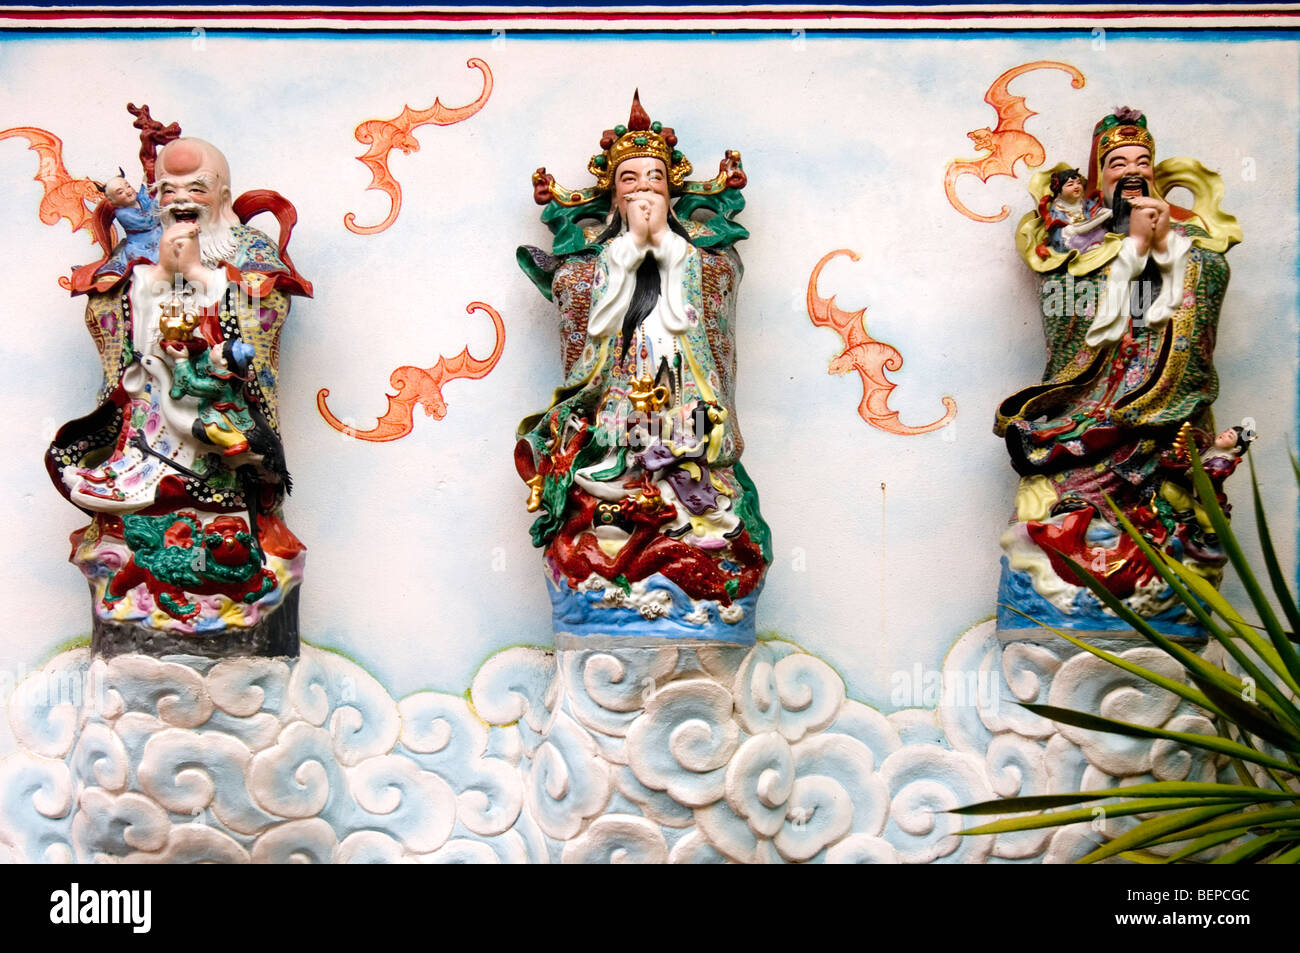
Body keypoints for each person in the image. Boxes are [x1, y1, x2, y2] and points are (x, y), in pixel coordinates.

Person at [515, 94, 769, 639]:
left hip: (683, 379)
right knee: (616, 458)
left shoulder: (699, 257)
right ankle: (615, 542)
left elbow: (721, 288)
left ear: (672, 188)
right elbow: (573, 293)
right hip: (622, 383)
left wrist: (665, 246)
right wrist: (629, 249)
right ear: (614, 195)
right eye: (629, 179)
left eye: (654, 176)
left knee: (692, 461)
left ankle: (697, 545)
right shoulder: (596, 261)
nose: (644, 187)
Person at [48, 133, 310, 646]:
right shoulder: (141, 252)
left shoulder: (247, 249)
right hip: (152, 399)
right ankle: (140, 549)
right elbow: (105, 309)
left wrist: (206, 284)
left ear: (224, 193)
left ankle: (235, 553)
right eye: (168, 191)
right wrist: (147, 286)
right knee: (141, 474)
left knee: (231, 457)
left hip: (218, 397)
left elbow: (268, 311)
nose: (182, 201)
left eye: (197, 188)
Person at [994, 107, 1242, 631]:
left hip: (1163, 402)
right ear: (1097, 176)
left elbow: (1206, 281)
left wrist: (1167, 251)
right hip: (1099, 394)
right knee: (1062, 463)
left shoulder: (1188, 240)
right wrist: (1129, 252)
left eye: (1142, 161)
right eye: (1116, 162)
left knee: (1176, 468)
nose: (1131, 170)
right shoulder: (1078, 241)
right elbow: (1066, 310)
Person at [1039, 167, 1110, 253]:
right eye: (1070, 184)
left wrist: (1102, 213)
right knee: (1077, 241)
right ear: (1059, 190)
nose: (1076, 187)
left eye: (1078, 183)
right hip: (1072, 237)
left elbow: (1096, 211)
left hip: (1088, 231)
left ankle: (1092, 245)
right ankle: (1087, 248)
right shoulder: (1057, 208)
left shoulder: (1084, 202)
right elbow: (1061, 232)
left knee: (1102, 232)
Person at [99, 171, 161, 265]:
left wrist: (145, 181)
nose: (128, 191)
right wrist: (158, 201)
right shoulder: (122, 214)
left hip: (160, 233)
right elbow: (149, 221)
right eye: (120, 192)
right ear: (113, 201)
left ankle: (179, 279)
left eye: (128, 186)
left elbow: (146, 195)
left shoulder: (139, 199)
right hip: (142, 245)